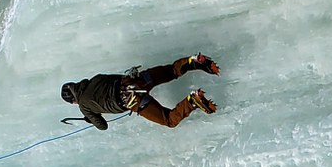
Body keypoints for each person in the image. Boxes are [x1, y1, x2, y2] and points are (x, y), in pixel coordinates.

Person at [61, 54, 221, 129]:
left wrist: (90, 118)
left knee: (168, 120)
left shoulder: (84, 106)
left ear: (73, 101)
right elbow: (116, 78)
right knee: (171, 71)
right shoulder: (94, 79)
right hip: (131, 81)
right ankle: (192, 61)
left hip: (132, 100)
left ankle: (192, 101)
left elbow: (102, 126)